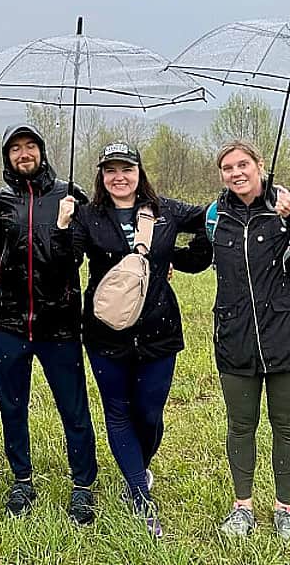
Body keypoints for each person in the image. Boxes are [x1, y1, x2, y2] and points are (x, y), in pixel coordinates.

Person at [74, 142, 209, 538]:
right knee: (117, 411)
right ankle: (138, 492)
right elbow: (65, 258)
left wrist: (178, 259)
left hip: (158, 331)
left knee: (149, 413)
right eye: (110, 170)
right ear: (101, 176)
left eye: (126, 169)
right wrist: (65, 223)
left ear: (139, 172)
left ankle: (136, 467)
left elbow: (208, 222)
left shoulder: (166, 211)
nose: (119, 177)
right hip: (106, 334)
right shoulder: (89, 216)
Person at [208, 140, 290, 543]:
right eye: (228, 168)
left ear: (260, 165)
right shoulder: (216, 216)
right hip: (235, 338)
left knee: (287, 427)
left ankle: (285, 511)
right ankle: (242, 508)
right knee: (240, 426)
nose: (236, 173)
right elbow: (193, 255)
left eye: (243, 164)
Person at [0, 123, 98, 525]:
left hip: (60, 325)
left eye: (30, 146)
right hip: (9, 324)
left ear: (42, 151)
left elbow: (82, 257)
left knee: (73, 408)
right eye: (15, 148)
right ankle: (22, 479)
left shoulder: (70, 196)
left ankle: (83, 485)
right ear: (7, 157)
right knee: (12, 406)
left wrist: (67, 224)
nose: (23, 154)